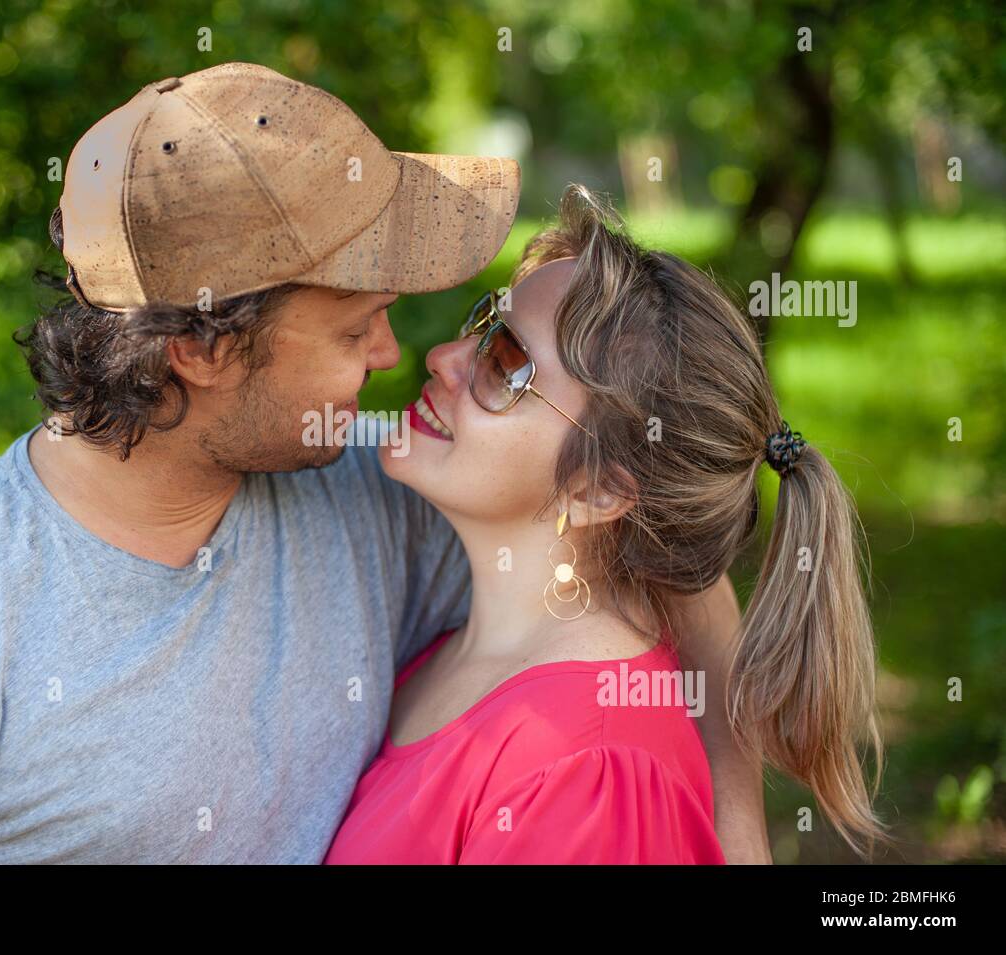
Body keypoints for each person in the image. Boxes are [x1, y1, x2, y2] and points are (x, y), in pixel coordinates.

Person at [0, 64, 768, 864]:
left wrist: (738, 824)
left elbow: (662, 563)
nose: (398, 358)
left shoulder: (375, 493)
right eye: (356, 328)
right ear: (204, 348)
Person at [325, 185, 887, 864]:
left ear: (599, 488)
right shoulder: (452, 651)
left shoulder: (591, 771)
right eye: (483, 325)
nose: (445, 356)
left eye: (505, 365)